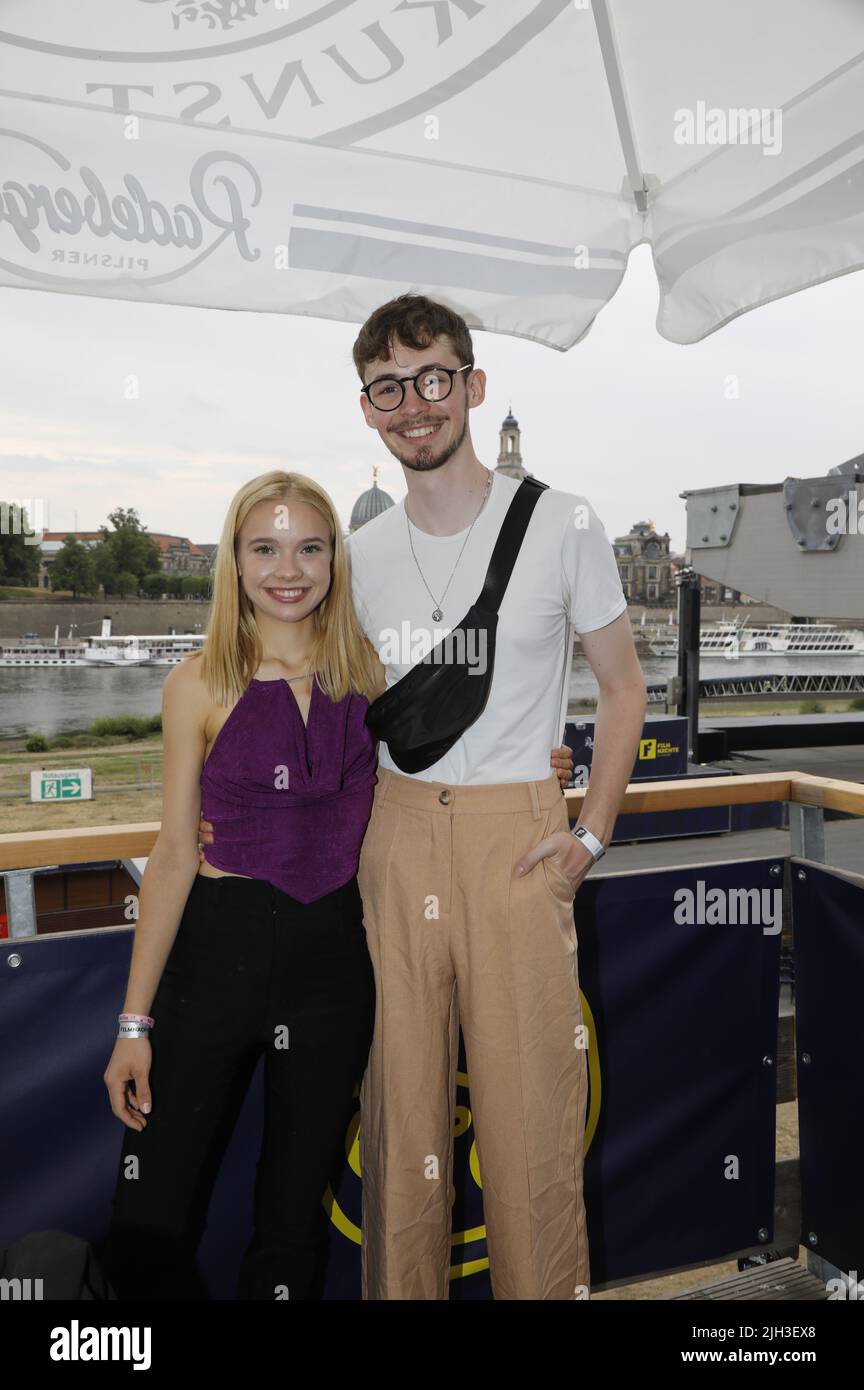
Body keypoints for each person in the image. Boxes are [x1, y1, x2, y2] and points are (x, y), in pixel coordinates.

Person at [201, 293, 647, 1300]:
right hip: (393, 848)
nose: (414, 404)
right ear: (366, 408)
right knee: (402, 1131)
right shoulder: (351, 560)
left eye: (433, 378)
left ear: (472, 386)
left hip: (517, 846)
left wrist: (587, 835)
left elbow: (623, 687)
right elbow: (303, 708)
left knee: (530, 1129)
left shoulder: (561, 523)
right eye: (388, 388)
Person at [102, 467, 575, 1301]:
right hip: (214, 962)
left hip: (331, 971)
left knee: (291, 1224)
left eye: (310, 548)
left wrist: (543, 763)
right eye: (267, 548)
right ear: (236, 563)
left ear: (334, 560)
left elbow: (454, 748)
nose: (290, 569)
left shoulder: (368, 675)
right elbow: (173, 854)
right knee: (150, 1214)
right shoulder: (198, 684)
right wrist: (135, 1023)